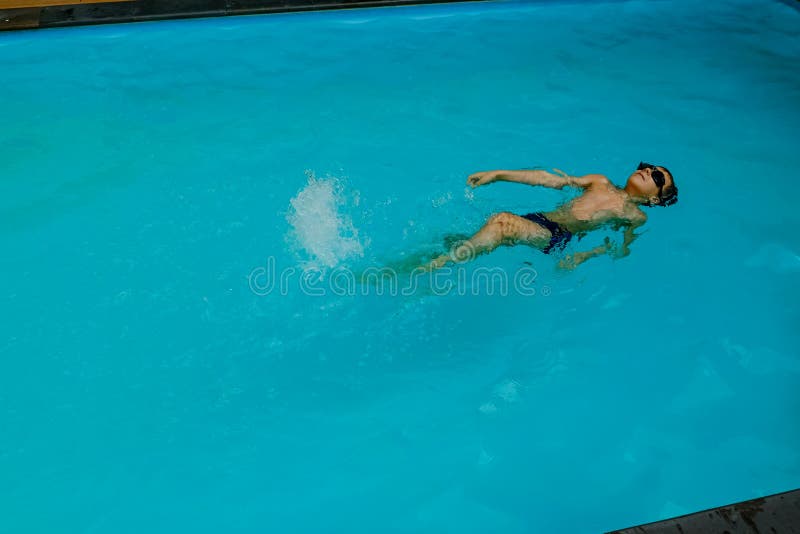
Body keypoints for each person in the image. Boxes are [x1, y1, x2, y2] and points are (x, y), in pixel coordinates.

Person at [427, 162, 678, 270]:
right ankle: (438, 257)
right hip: (538, 219)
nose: (648, 171)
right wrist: (498, 174)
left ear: (655, 199)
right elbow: (550, 180)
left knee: (501, 222)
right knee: (462, 238)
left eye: (657, 176)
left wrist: (586, 255)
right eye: (648, 166)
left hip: (555, 236)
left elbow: (620, 250)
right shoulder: (600, 181)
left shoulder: (635, 216)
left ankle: (437, 266)